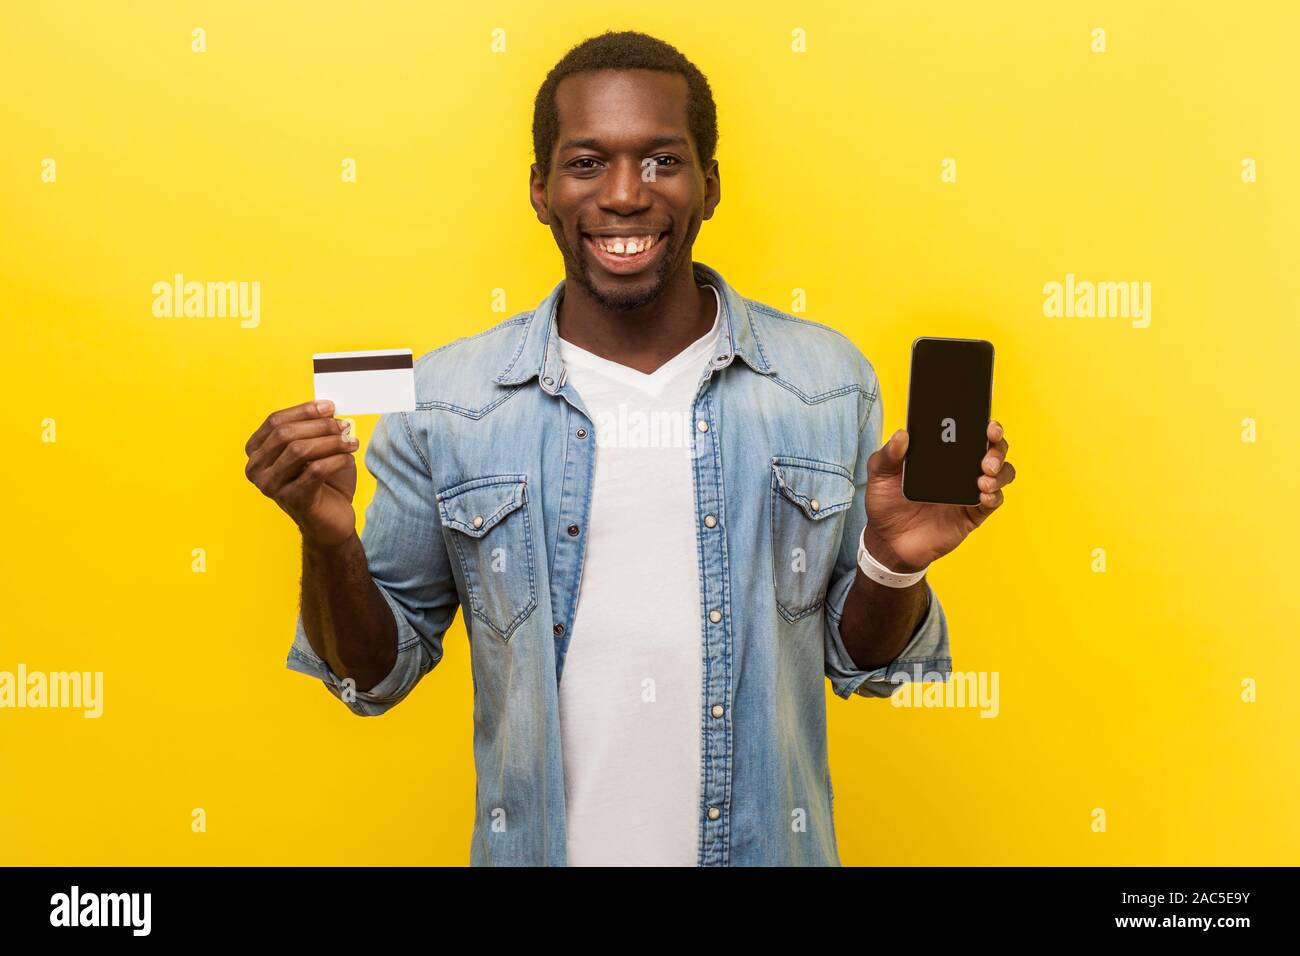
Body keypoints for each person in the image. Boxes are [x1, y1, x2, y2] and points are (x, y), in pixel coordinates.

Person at [243, 30, 1017, 866]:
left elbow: (860, 662)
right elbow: (373, 675)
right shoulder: (447, 402)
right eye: (585, 163)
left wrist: (892, 561)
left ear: (710, 185)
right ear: (539, 190)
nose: (624, 195)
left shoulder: (825, 382)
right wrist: (328, 541)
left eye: (660, 161)